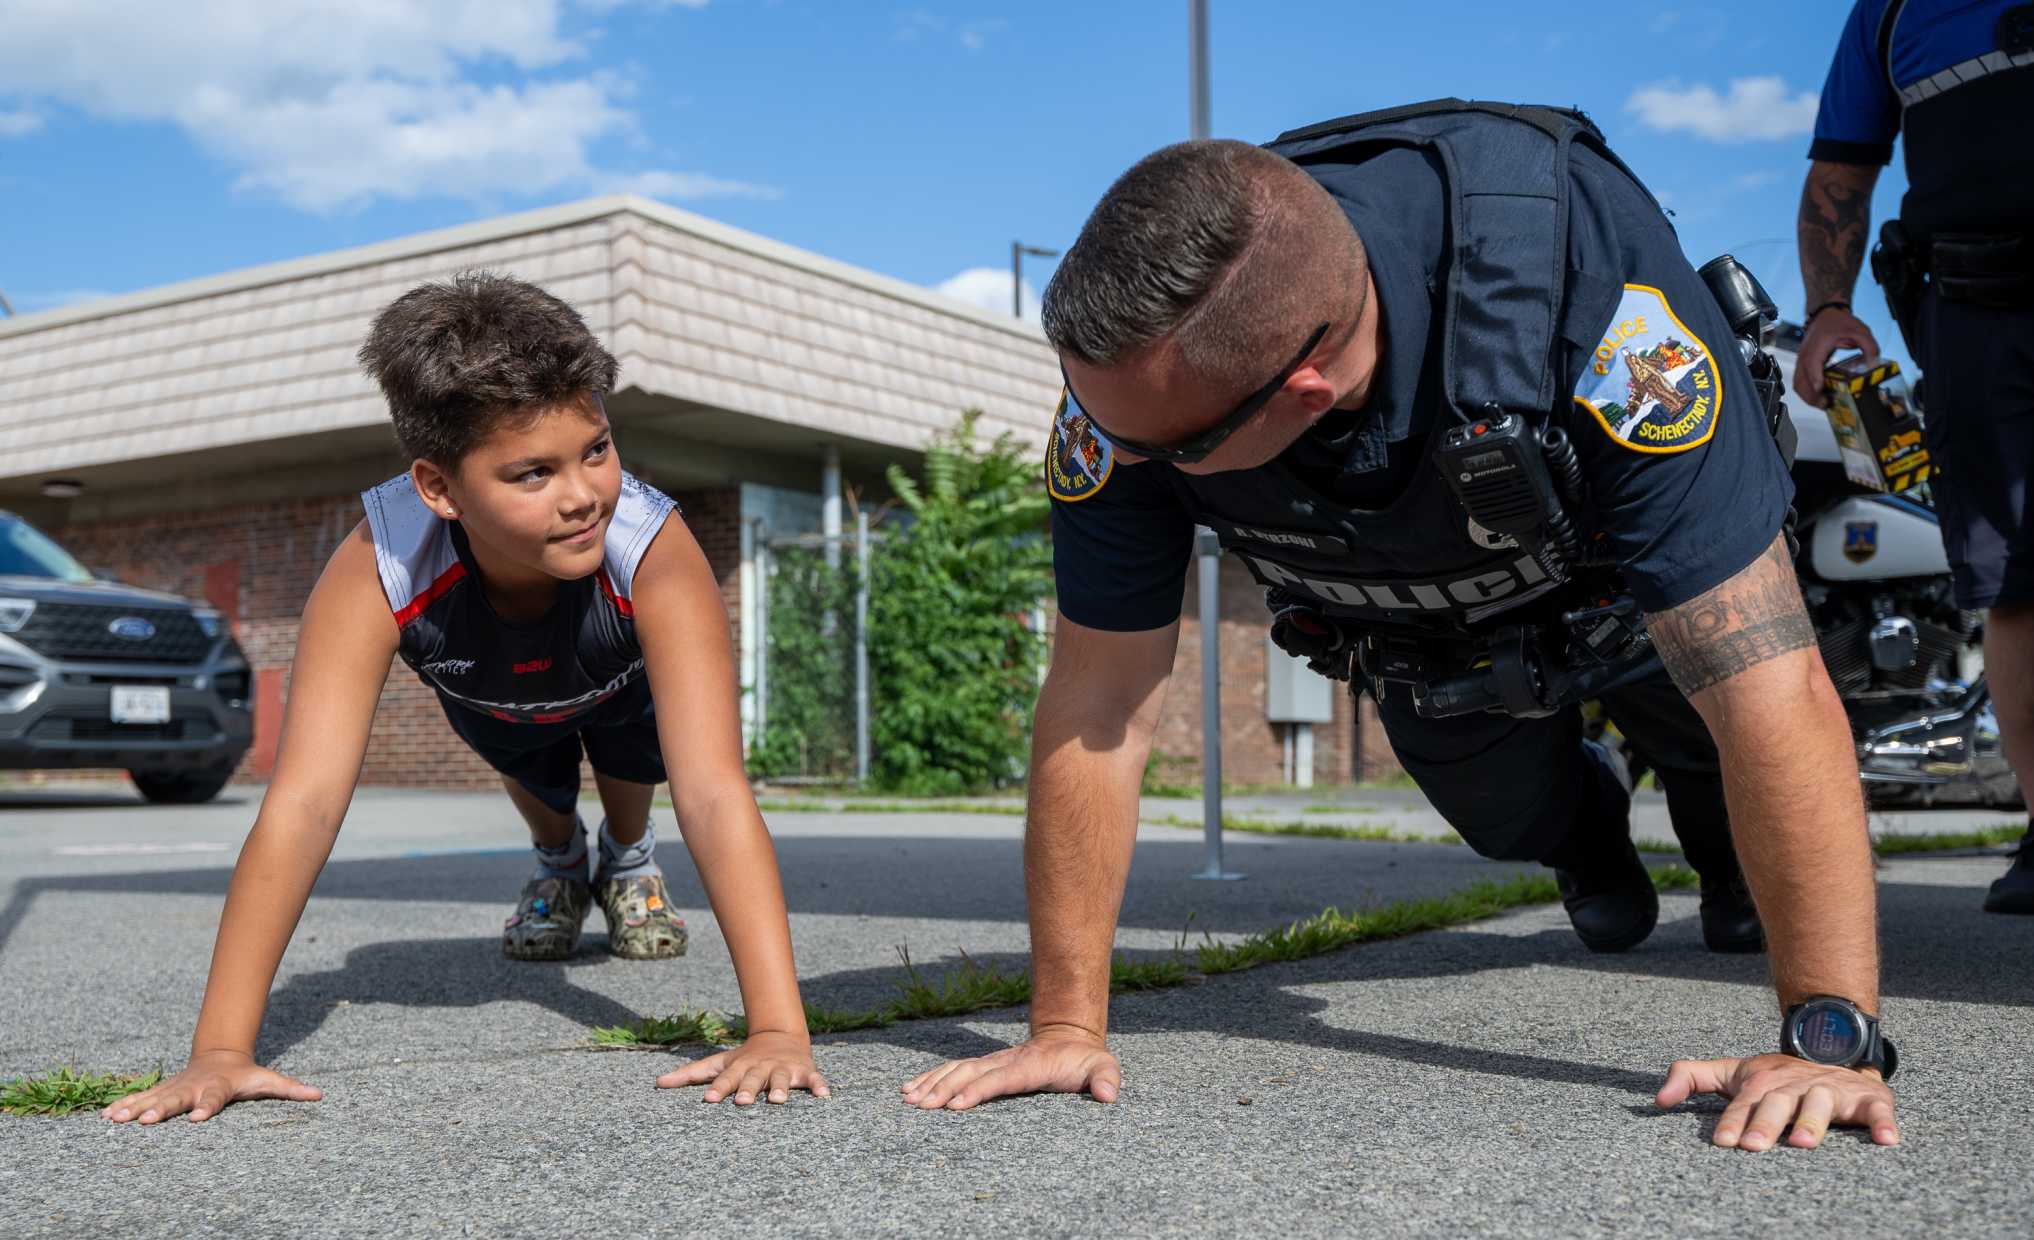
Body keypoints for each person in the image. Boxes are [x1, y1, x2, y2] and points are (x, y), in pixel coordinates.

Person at [903, 102, 1902, 1150]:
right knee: (1507, 817)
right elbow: (1098, 702)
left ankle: (1723, 864)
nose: (1117, 462)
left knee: (1699, 709)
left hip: (1622, 579)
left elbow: (1766, 682)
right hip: (1427, 624)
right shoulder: (1139, 395)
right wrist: (1064, 1026)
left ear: (1305, 390)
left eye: (1162, 452)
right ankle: (1589, 831)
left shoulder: (1599, 307)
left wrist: (1826, 1036)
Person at [103, 273, 829, 1123]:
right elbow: (302, 802)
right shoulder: (380, 566)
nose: (582, 494)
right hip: (497, 697)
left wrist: (777, 1029)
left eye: (596, 449)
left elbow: (712, 790)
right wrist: (221, 1051)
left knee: (634, 753)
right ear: (440, 488)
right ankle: (561, 861)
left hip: (618, 686)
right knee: (536, 768)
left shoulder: (651, 544)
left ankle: (628, 858)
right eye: (532, 473)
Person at [1794, 0, 2034, 915]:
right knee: (2016, 582)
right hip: (1978, 318)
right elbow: (1839, 176)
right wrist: (1828, 308)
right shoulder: (1891, 12)